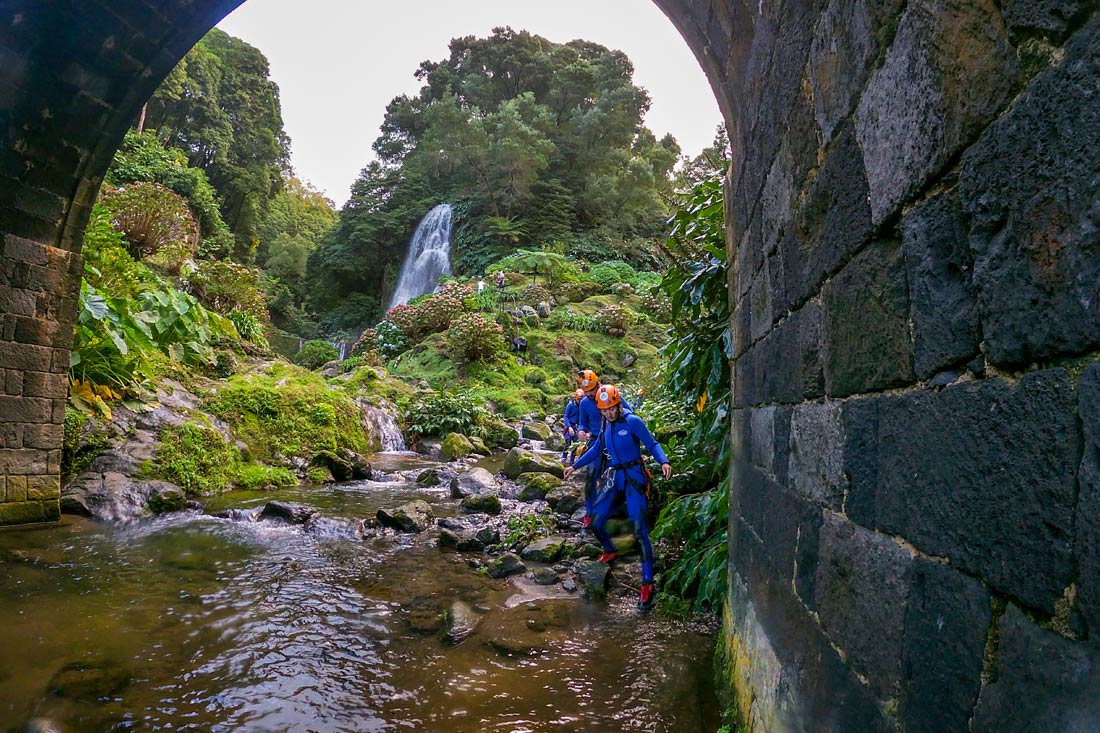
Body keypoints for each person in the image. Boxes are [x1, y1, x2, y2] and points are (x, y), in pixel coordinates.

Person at [565, 384, 671, 611]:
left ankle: (647, 582)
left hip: (633, 477)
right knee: (595, 520)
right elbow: (595, 450)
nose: (609, 413)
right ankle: (610, 549)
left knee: (639, 529)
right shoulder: (605, 425)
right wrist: (574, 466)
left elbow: (651, 443)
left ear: (618, 404)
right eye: (605, 410)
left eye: (612, 408)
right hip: (615, 477)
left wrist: (664, 461)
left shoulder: (632, 421)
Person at [574, 369, 632, 527]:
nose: (590, 394)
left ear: (598, 384)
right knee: (591, 476)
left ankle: (614, 510)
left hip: (613, 441)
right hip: (595, 442)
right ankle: (589, 512)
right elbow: (582, 422)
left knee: (614, 476)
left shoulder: (610, 394)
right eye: (586, 391)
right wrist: (580, 431)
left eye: (592, 390)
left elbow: (629, 413)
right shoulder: (585, 403)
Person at [561, 389, 583, 464]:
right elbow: (566, 416)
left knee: (575, 444)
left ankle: (572, 460)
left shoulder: (583, 406)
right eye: (578, 399)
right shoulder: (570, 405)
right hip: (569, 425)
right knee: (568, 442)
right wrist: (569, 427)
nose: (579, 401)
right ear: (575, 398)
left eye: (581, 399)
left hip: (577, 426)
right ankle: (564, 457)